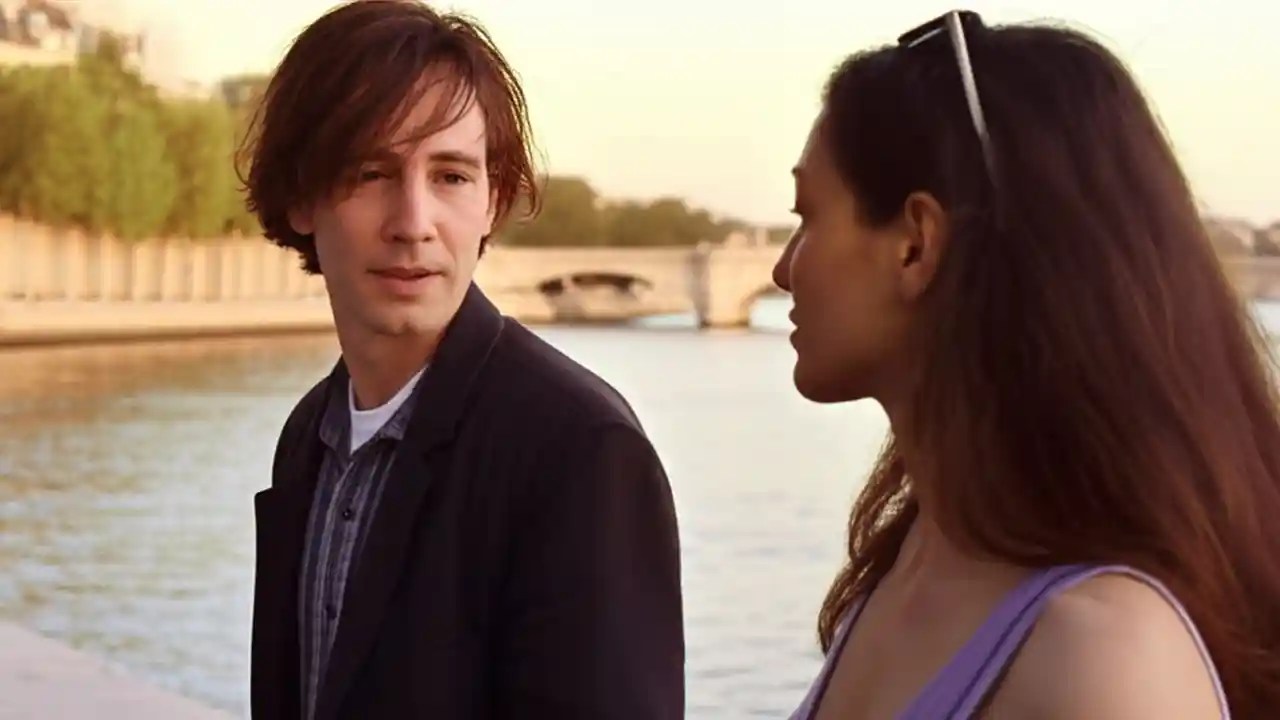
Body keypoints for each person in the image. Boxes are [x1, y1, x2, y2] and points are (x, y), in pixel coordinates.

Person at [776, 10, 1280, 720]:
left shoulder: (1104, 658)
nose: (779, 269)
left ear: (915, 245)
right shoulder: (910, 560)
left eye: (807, 216)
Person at [238, 2, 684, 718]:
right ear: (300, 197)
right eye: (371, 172)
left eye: (450, 177)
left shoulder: (581, 450)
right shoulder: (309, 436)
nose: (413, 224)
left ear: (492, 202)